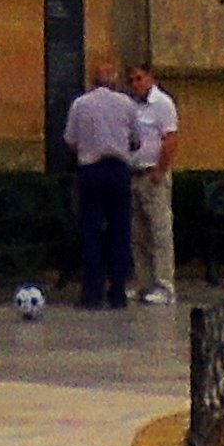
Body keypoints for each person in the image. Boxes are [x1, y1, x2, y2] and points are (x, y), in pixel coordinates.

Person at [61, 55, 145, 311]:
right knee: (120, 231)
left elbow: (70, 141)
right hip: (118, 170)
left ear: (92, 78)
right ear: (115, 79)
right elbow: (136, 140)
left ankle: (92, 293)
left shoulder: (80, 104)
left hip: (90, 171)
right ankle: (118, 291)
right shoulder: (127, 104)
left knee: (91, 232)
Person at [125, 59, 182, 305]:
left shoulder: (162, 104)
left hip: (153, 175)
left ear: (150, 78)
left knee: (159, 231)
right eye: (132, 80)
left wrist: (160, 170)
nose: (135, 84)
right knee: (138, 233)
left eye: (139, 78)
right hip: (134, 173)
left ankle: (164, 284)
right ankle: (144, 282)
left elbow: (170, 139)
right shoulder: (132, 107)